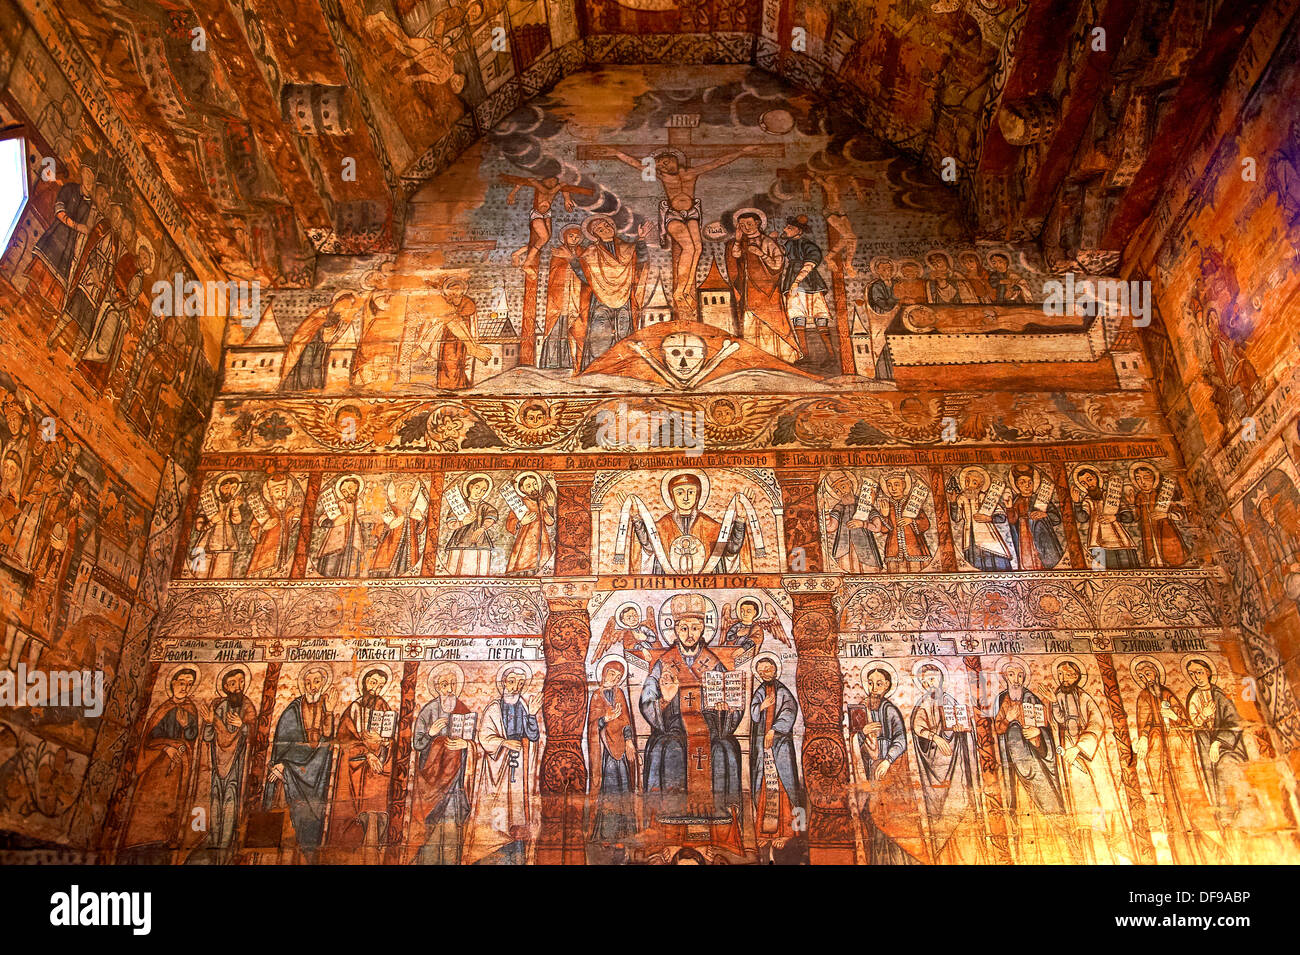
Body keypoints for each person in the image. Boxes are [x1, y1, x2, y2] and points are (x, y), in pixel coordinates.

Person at [639, 594, 743, 820]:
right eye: (684, 628)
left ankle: (720, 809)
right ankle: (672, 808)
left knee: (725, 746)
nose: (689, 634)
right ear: (675, 630)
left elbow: (732, 696)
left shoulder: (712, 661)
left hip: (710, 723)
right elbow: (647, 699)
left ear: (703, 629)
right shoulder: (664, 662)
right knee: (670, 746)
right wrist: (665, 699)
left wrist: (726, 709)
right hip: (673, 723)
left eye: (695, 628)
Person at [993, 662, 1077, 863]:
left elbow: (1048, 728)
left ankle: (1060, 854)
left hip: (1037, 765)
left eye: (1020, 675)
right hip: (1014, 767)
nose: (1016, 679)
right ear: (1005, 677)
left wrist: (1039, 733)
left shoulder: (1032, 698)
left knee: (1046, 804)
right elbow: (996, 729)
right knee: (1021, 811)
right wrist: (1008, 719)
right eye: (1011, 675)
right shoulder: (1002, 700)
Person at [1050, 660, 1130, 863]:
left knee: (1097, 801)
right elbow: (1060, 719)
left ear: (1076, 677)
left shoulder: (1084, 697)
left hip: (1088, 754)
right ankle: (1086, 854)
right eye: (1060, 675)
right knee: (1078, 805)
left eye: (1067, 675)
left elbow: (1097, 722)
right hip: (1069, 753)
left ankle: (1105, 850)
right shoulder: (1059, 695)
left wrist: (1079, 747)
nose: (1063, 679)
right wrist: (1051, 701)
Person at [119, 668, 200, 860]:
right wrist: (165, 747)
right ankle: (137, 841)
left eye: (189, 684)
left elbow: (192, 736)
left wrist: (186, 725)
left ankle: (163, 841)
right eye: (182, 682)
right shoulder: (162, 709)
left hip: (177, 768)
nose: (185, 687)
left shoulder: (190, 710)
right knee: (145, 806)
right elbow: (149, 738)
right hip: (155, 765)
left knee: (170, 808)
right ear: (172, 683)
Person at [465, 665, 540, 864]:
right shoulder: (494, 708)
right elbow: (484, 735)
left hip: (519, 767)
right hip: (496, 768)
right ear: (504, 682)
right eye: (512, 681)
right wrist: (505, 742)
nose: (516, 686)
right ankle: (491, 855)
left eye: (521, 682)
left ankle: (515, 856)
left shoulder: (524, 706)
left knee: (517, 812)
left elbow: (533, 735)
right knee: (496, 812)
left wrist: (532, 715)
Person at [264, 665, 337, 861]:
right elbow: (283, 743)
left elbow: (326, 738)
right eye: (309, 682)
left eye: (317, 682)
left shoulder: (325, 706)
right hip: (289, 775)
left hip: (315, 777)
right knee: (287, 821)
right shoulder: (292, 710)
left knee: (312, 822)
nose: (313, 687)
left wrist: (329, 712)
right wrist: (283, 765)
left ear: (323, 684)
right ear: (303, 684)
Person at [909, 664, 980, 862]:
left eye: (932, 679)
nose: (928, 684)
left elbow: (962, 728)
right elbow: (917, 728)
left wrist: (960, 730)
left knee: (959, 807)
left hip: (955, 765)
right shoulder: (922, 704)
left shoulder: (951, 701)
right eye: (924, 681)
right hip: (934, 766)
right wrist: (935, 738)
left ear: (940, 679)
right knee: (939, 814)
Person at [853, 667, 921, 864]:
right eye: (871, 683)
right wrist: (862, 733)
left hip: (889, 774)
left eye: (879, 684)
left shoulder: (889, 710)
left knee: (892, 820)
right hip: (869, 773)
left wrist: (887, 760)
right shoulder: (860, 709)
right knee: (872, 820)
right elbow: (853, 741)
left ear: (887, 686)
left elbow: (900, 740)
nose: (874, 688)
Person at [410, 664, 476, 865]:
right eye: (445, 684)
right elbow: (417, 743)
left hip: (456, 780)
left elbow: (472, 740)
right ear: (437, 687)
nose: (449, 689)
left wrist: (466, 744)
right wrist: (431, 734)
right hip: (432, 779)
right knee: (431, 824)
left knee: (452, 825)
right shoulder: (428, 710)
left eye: (453, 684)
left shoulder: (462, 709)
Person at [191, 667, 257, 863]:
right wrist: (211, 723)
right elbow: (207, 736)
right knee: (215, 802)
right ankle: (214, 843)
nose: (239, 687)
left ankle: (226, 846)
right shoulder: (218, 706)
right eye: (234, 683)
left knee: (230, 802)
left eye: (241, 681)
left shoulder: (248, 706)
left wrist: (242, 726)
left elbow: (254, 733)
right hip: (217, 766)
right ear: (226, 687)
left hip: (236, 768)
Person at [330, 667, 394, 862]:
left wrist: (382, 742)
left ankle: (373, 854)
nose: (375, 689)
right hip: (355, 770)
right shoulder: (354, 709)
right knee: (354, 814)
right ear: (364, 683)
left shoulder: (385, 708)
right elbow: (344, 738)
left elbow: (391, 741)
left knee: (376, 812)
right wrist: (367, 753)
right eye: (372, 683)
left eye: (380, 685)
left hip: (377, 773)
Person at [725, 210, 801, 363]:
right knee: (750, 320)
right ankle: (754, 356)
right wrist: (738, 241)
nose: (746, 227)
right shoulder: (742, 242)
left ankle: (783, 356)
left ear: (758, 223)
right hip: (749, 290)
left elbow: (778, 264)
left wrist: (761, 254)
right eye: (741, 225)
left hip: (768, 290)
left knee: (773, 320)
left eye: (749, 224)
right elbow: (736, 256)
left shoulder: (767, 241)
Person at [749, 654, 804, 863]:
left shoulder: (783, 692)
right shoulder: (759, 692)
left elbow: (790, 712)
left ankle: (787, 832)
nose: (765, 673)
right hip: (763, 748)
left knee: (783, 786)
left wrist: (774, 730)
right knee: (764, 785)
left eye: (768, 669)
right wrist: (761, 707)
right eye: (761, 670)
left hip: (779, 748)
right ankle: (765, 832)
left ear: (775, 670)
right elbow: (753, 714)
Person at [585, 660, 638, 848]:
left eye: (618, 677)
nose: (614, 678)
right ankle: (607, 835)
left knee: (623, 791)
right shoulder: (596, 697)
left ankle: (622, 836)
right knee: (608, 793)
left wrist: (630, 741)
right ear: (604, 673)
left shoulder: (620, 694)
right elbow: (591, 725)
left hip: (621, 750)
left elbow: (626, 720)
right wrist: (605, 719)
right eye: (612, 673)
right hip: (605, 752)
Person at [780, 215, 835, 361]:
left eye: (789, 228)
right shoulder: (789, 244)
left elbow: (810, 263)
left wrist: (796, 282)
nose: (785, 229)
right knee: (798, 318)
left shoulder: (808, 245)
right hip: (793, 283)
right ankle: (805, 355)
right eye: (786, 227)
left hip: (810, 283)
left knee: (820, 317)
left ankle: (831, 356)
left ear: (799, 231)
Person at [1003, 466, 1064, 570]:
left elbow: (1057, 518)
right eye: (1022, 482)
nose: (1027, 485)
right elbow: (1013, 520)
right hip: (1024, 537)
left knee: (1043, 558)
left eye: (1030, 482)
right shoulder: (1017, 501)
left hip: (1041, 534)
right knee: (1027, 561)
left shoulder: (1040, 499)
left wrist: (1045, 515)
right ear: (1017, 485)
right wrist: (1009, 507)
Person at [822, 470, 884, 573]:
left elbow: (877, 527)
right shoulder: (839, 507)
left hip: (866, 549)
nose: (841, 492)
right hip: (844, 551)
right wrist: (826, 511)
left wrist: (863, 524)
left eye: (843, 487)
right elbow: (830, 527)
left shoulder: (864, 504)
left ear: (850, 484)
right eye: (837, 491)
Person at [443, 473, 498, 575]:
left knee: (481, 571)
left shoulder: (485, 506)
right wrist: (463, 522)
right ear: (470, 487)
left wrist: (482, 529)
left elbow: (491, 517)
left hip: (480, 541)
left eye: (483, 490)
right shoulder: (459, 504)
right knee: (456, 570)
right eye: (477, 487)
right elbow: (450, 524)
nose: (479, 492)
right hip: (460, 541)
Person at [313, 476, 368, 577]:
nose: (348, 492)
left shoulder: (360, 504)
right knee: (331, 568)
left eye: (351, 488)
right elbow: (321, 520)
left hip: (354, 543)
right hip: (336, 542)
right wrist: (334, 523)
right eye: (344, 491)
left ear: (357, 489)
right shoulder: (339, 504)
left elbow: (364, 519)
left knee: (352, 569)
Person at [504, 472, 555, 576]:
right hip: (526, 542)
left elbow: (550, 521)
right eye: (529, 486)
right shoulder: (520, 503)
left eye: (535, 484)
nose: (534, 488)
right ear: (522, 489)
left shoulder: (542, 502)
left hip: (542, 542)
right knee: (524, 567)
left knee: (542, 566)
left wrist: (550, 506)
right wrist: (521, 522)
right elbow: (509, 524)